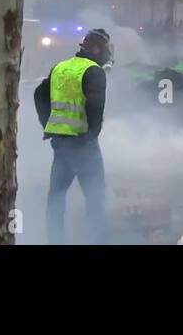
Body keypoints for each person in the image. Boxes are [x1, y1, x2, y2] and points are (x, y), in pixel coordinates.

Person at [35, 28, 113, 245]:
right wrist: (92, 135)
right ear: (96, 48)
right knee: (96, 198)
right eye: (105, 49)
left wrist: (48, 126)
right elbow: (96, 105)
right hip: (83, 145)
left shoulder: (61, 67)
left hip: (61, 144)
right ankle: (98, 241)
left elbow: (39, 94)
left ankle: (54, 240)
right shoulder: (94, 71)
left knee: (57, 197)